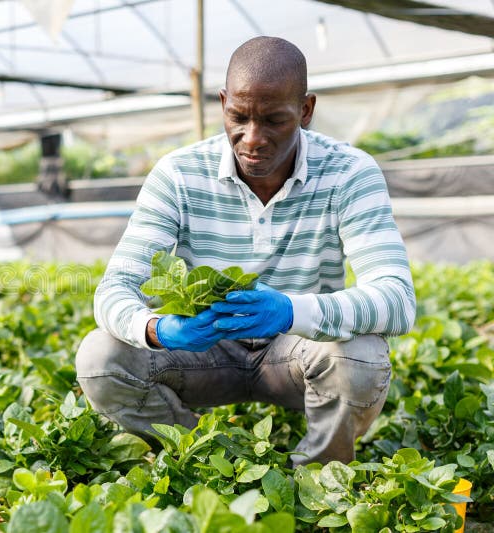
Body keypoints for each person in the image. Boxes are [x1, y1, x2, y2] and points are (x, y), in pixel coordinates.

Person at [75, 36, 415, 466]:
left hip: (298, 349)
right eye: (238, 117)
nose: (252, 138)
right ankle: (204, 459)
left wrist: (291, 312)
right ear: (222, 104)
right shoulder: (178, 175)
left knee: (361, 356)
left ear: (306, 111)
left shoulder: (350, 173)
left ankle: (317, 479)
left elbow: (397, 298)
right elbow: (114, 289)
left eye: (274, 120)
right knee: (99, 359)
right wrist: (157, 329)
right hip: (206, 349)